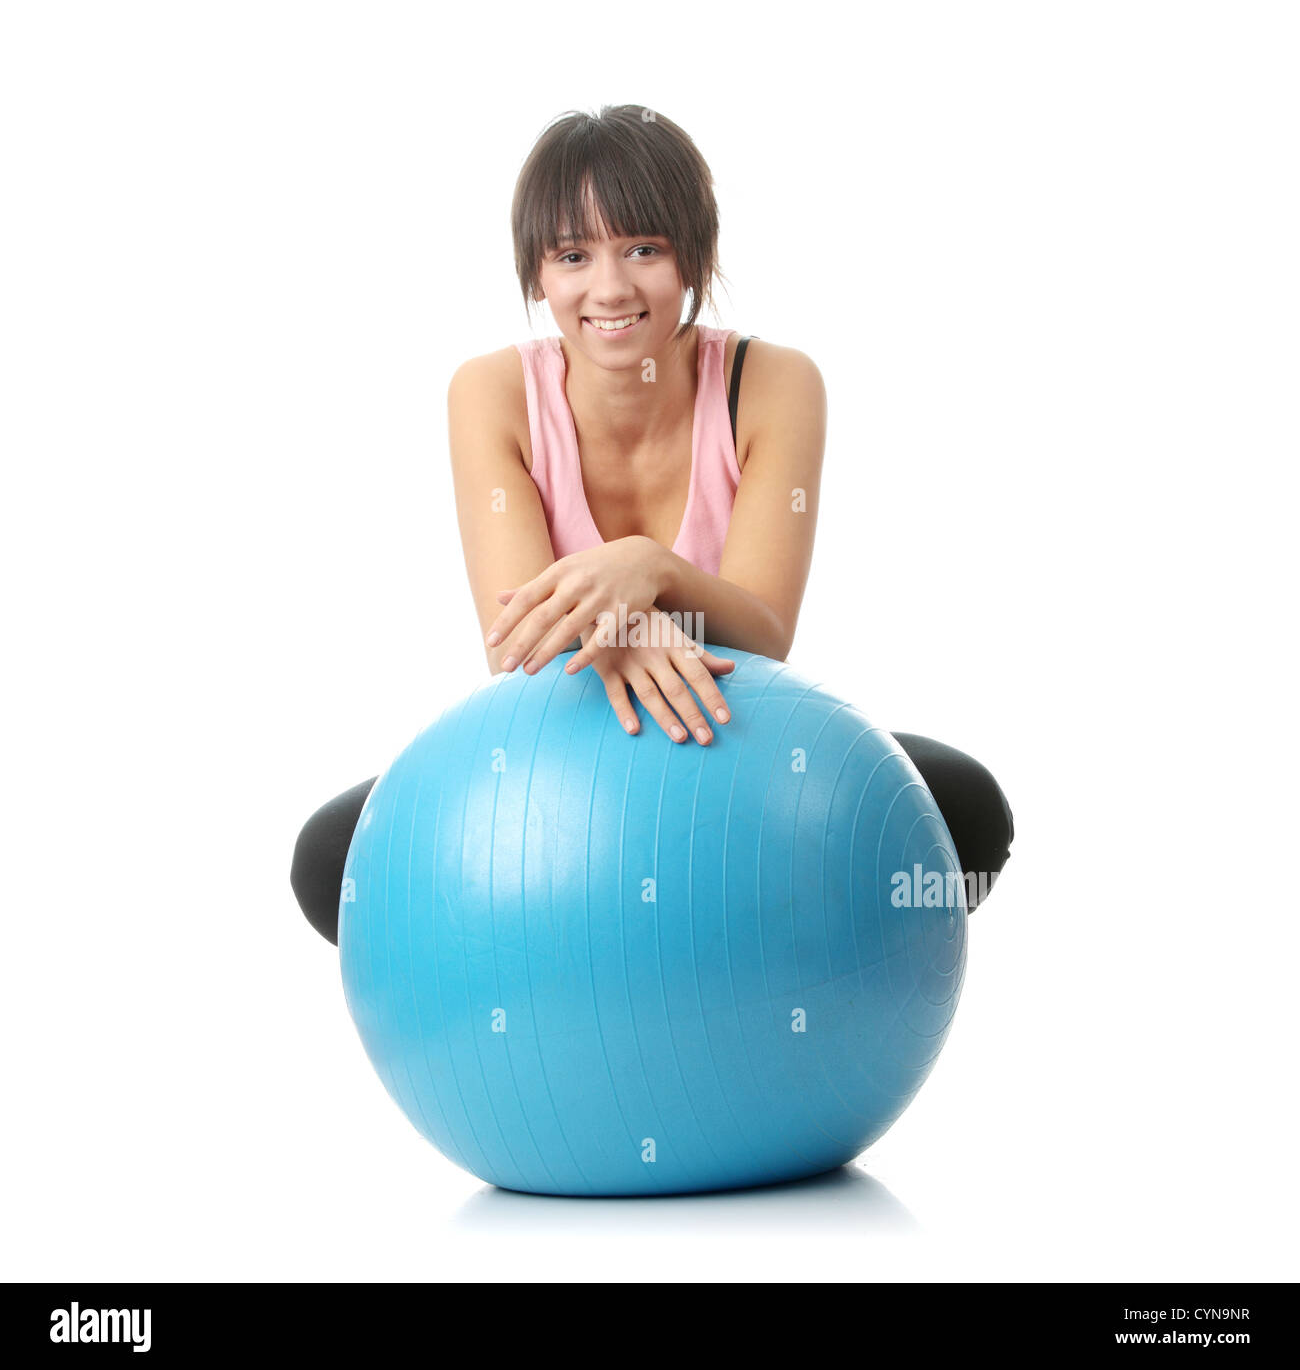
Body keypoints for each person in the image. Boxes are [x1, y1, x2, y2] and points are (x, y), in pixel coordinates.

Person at [291, 105, 1014, 946]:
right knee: (330, 862)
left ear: (693, 257)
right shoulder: (489, 392)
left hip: (729, 735)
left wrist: (646, 567)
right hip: (560, 752)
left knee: (964, 813)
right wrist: (628, 614)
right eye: (573, 256)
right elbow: (520, 645)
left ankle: (765, 969)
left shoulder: (773, 382)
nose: (610, 288)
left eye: (643, 248)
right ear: (537, 276)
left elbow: (765, 633)